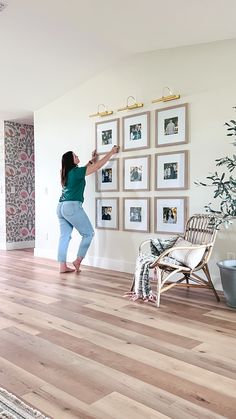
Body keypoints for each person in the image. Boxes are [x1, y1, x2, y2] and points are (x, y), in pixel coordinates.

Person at [57, 145, 119, 273]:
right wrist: (111, 152)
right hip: (72, 207)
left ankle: (62, 266)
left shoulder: (67, 172)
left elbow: (87, 169)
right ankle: (78, 261)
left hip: (61, 207)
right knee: (88, 233)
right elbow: (96, 168)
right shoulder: (76, 172)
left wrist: (92, 160)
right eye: (75, 156)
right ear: (71, 160)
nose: (78, 157)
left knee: (64, 237)